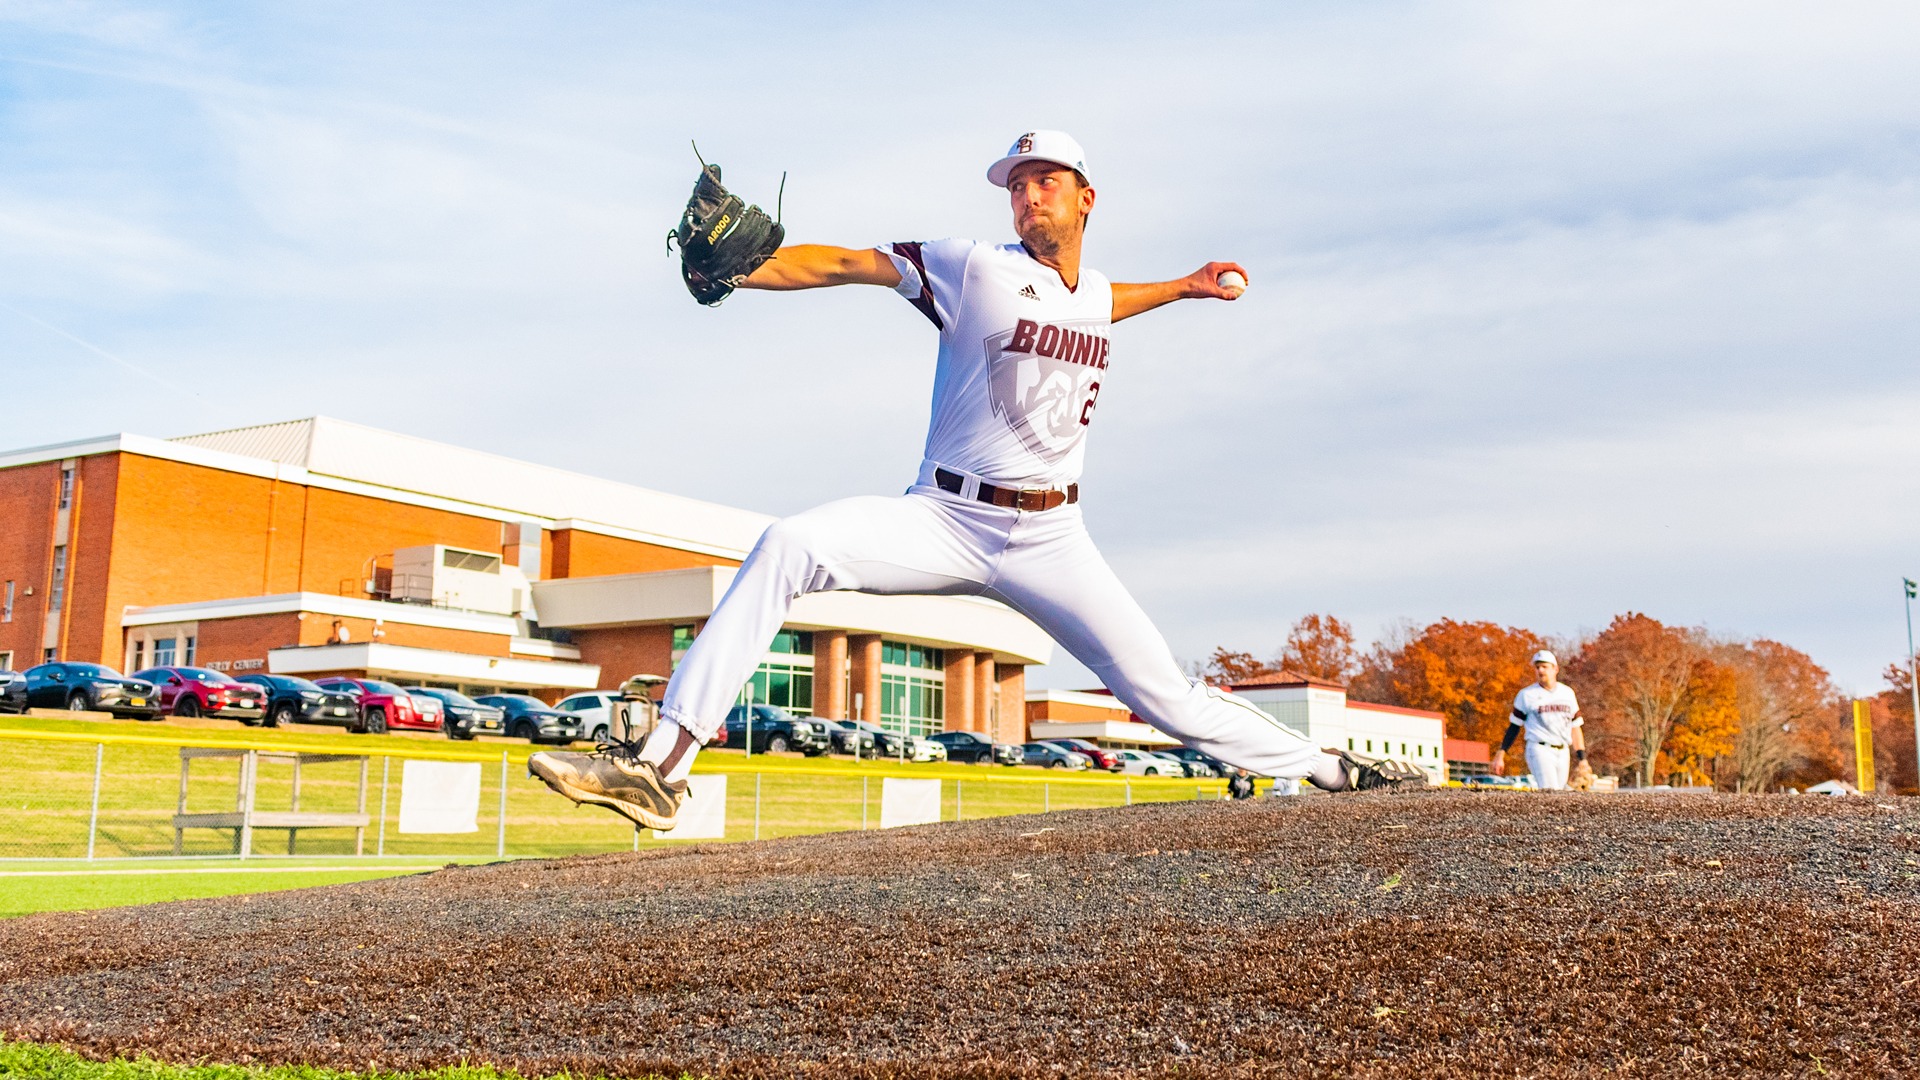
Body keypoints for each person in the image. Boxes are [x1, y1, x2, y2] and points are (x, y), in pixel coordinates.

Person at [529, 130, 1425, 829]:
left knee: (1165, 695)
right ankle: (661, 767)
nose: (1026, 192)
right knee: (792, 544)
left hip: (1053, 539)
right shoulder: (974, 267)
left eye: (1044, 179)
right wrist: (747, 268)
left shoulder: (1097, 292)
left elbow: (1106, 298)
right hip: (946, 516)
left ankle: (1337, 770)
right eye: (1015, 181)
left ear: (1085, 197)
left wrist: (1186, 287)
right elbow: (847, 264)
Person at [1496, 649, 1585, 791]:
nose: (1540, 670)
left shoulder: (1567, 693)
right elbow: (1514, 727)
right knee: (1550, 790)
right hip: (1539, 748)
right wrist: (1501, 753)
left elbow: (1575, 727)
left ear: (1555, 669)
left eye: (1544, 666)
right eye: (1537, 667)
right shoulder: (1527, 695)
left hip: (1563, 750)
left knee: (1560, 791)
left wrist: (1582, 758)